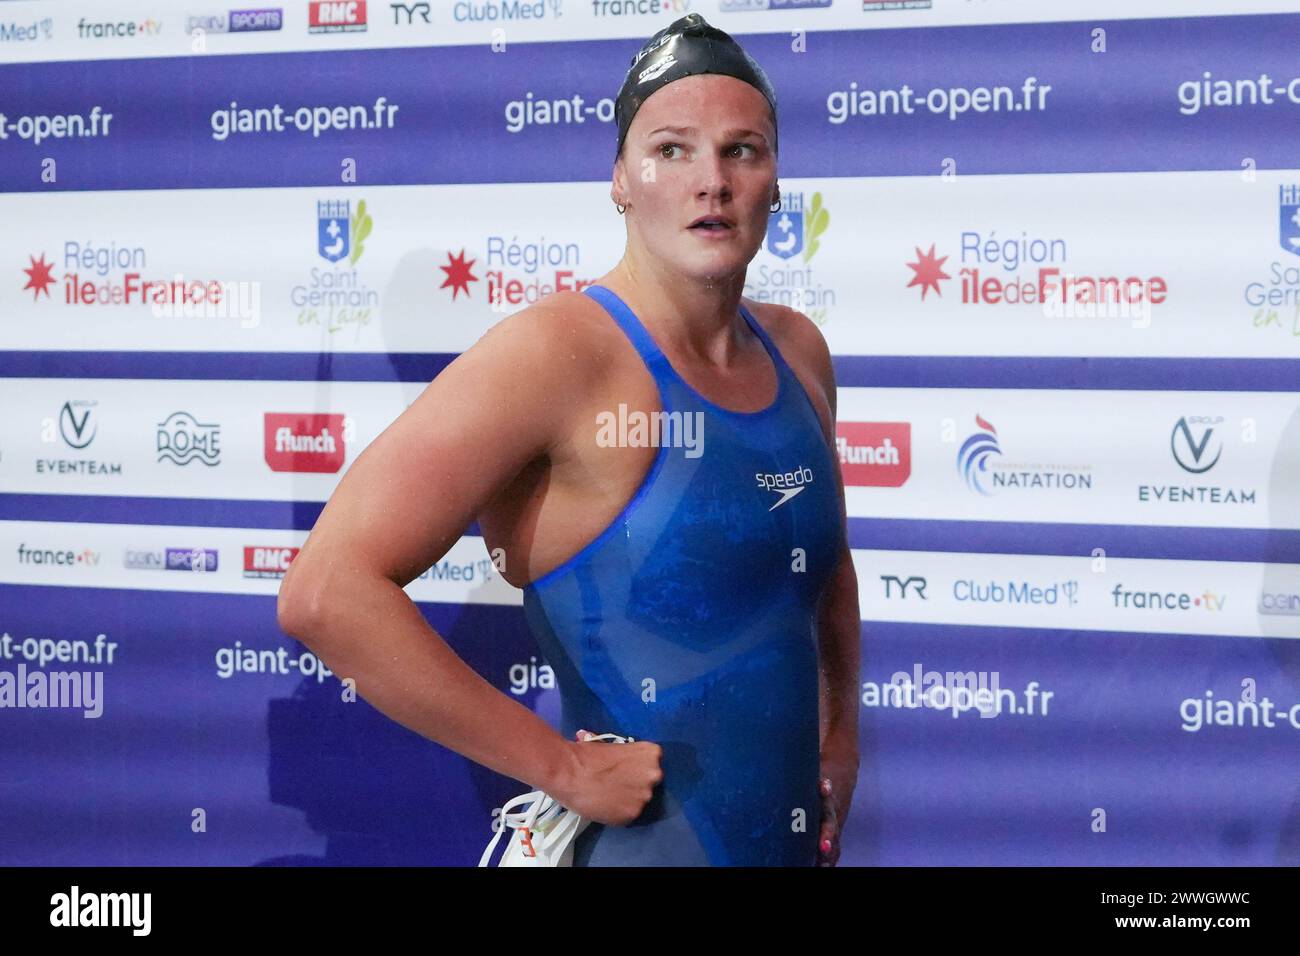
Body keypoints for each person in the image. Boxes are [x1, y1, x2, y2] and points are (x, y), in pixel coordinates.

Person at [277, 13, 860, 866]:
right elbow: (325, 591)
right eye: (672, 150)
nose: (712, 182)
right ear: (619, 178)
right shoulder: (557, 354)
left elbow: (823, 568)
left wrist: (839, 741)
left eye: (742, 150)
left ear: (776, 181)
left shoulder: (799, 351)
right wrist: (561, 767)